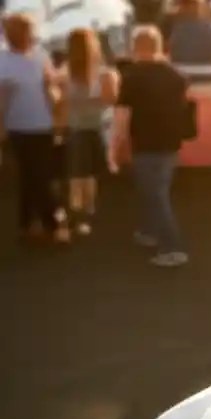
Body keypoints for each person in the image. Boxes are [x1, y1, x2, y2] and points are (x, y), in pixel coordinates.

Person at [114, 25, 191, 267]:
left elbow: (122, 116)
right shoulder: (175, 75)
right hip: (170, 142)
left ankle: (173, 247)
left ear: (136, 48)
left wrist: (117, 145)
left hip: (144, 142)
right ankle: (149, 232)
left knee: (155, 194)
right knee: (156, 190)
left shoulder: (131, 77)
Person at [0, 13, 67, 245]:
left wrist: (57, 114)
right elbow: (2, 100)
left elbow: (52, 91)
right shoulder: (4, 62)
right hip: (19, 128)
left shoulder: (40, 57)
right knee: (39, 176)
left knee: (34, 176)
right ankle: (53, 224)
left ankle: (28, 223)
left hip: (42, 126)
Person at [58, 28, 119, 236]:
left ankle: (76, 216)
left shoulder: (65, 73)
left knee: (76, 175)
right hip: (98, 128)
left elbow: (61, 103)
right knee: (91, 175)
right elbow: (111, 100)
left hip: (75, 128)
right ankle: (87, 213)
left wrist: (58, 128)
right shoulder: (105, 74)